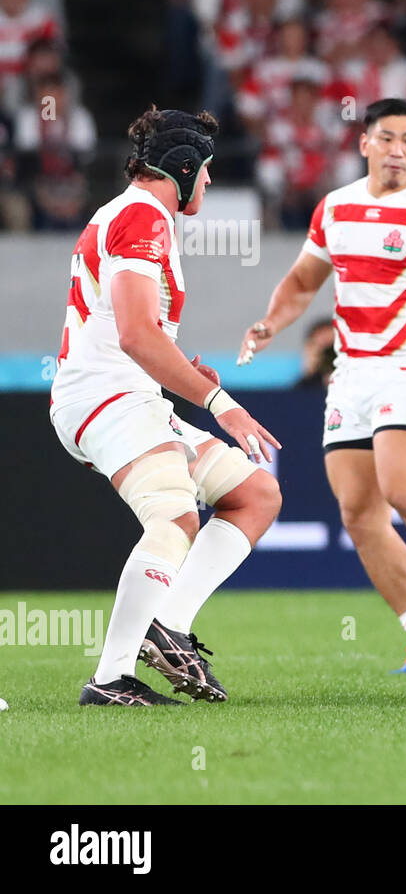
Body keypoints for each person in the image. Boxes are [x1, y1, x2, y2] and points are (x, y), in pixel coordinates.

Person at [237, 97, 406, 673]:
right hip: (350, 374)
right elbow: (302, 280)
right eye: (386, 138)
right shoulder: (334, 208)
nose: (397, 149)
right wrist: (269, 322)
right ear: (364, 144)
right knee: (359, 511)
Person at [50, 107, 282, 706]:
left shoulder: (137, 215)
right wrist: (220, 402)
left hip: (125, 391)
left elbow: (136, 333)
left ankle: (167, 628)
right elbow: (134, 335)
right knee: (176, 517)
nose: (208, 181)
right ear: (183, 168)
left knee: (255, 493)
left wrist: (182, 368)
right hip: (105, 394)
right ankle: (109, 678)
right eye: (205, 170)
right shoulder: (141, 218)